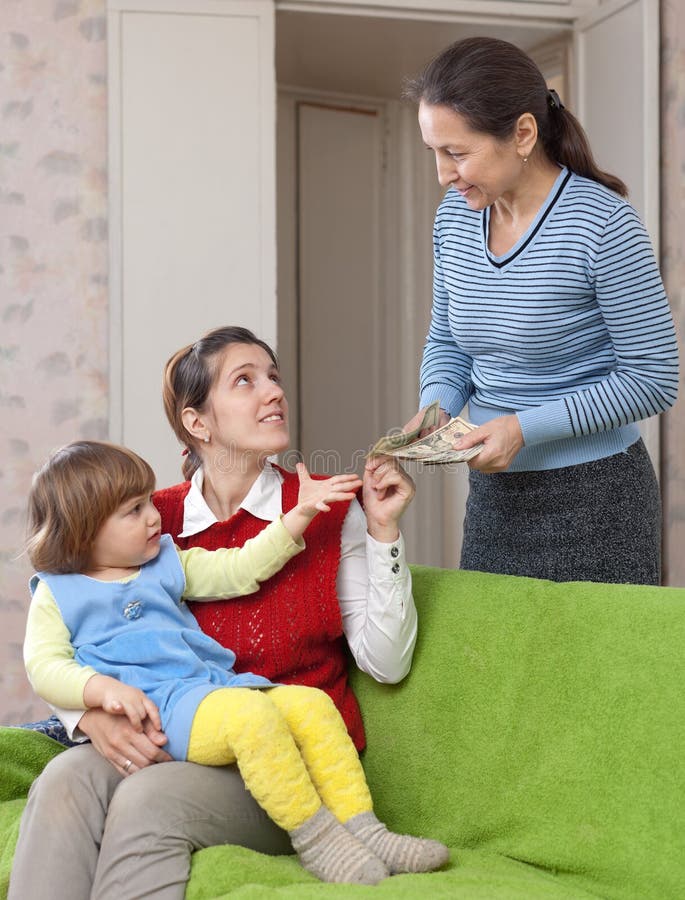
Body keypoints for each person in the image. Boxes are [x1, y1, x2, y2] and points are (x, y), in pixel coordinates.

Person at [9, 326, 419, 900]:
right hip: (176, 733)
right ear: (197, 422)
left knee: (148, 802)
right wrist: (90, 718)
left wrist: (383, 530)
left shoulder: (326, 506)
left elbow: (387, 662)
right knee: (63, 780)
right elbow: (73, 627)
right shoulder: (146, 520)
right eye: (245, 381)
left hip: (285, 758)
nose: (273, 392)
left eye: (274, 377)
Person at [403, 36, 679, 584]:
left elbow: (654, 379)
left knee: (593, 669)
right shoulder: (453, 221)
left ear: (523, 133)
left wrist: (524, 429)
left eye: (457, 153)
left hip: (599, 500)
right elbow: (449, 342)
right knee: (498, 664)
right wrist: (436, 406)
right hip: (495, 499)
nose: (442, 175)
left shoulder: (604, 226)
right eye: (434, 152)